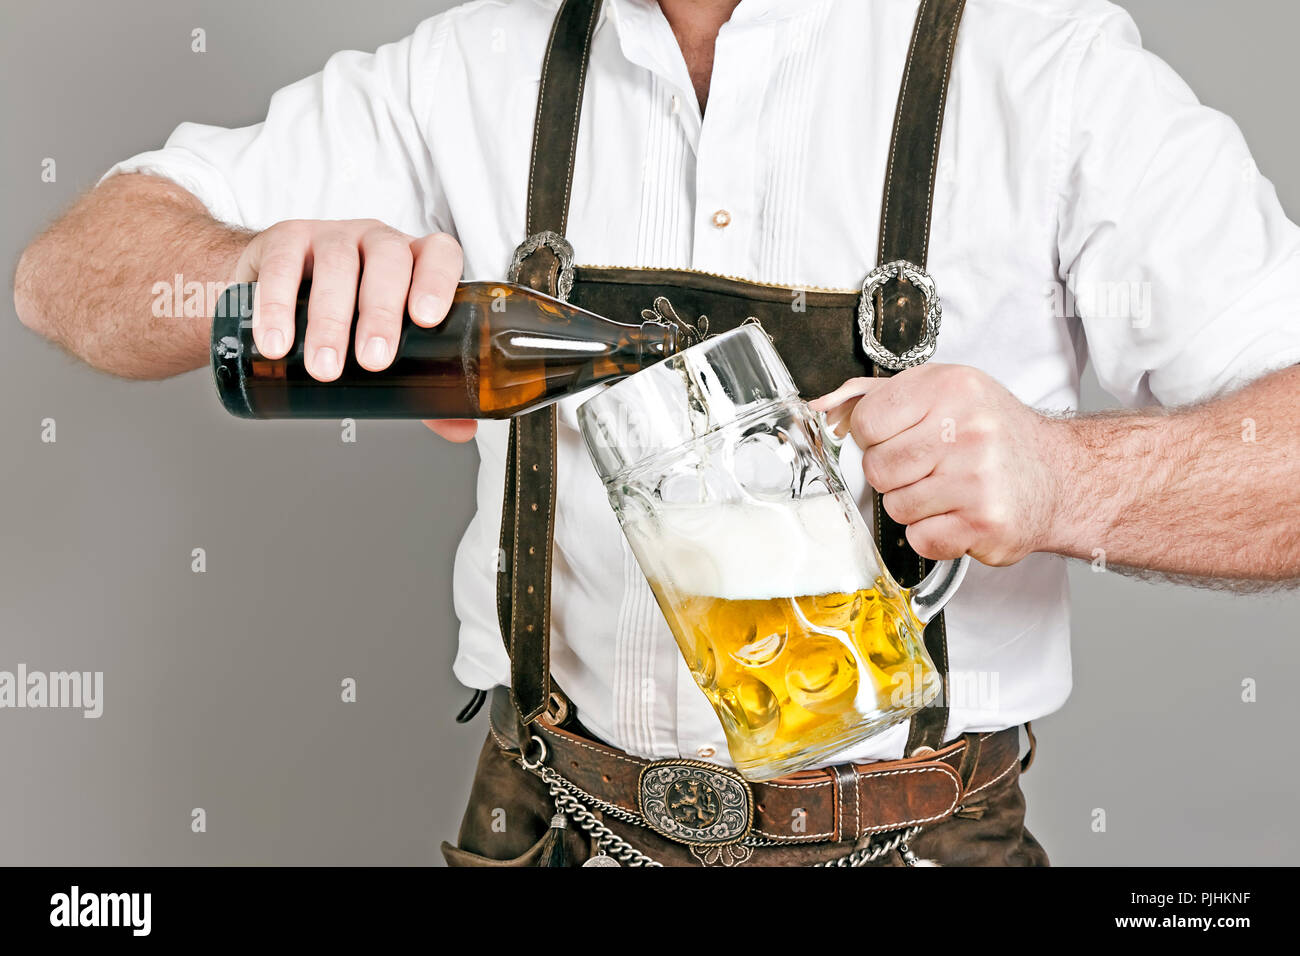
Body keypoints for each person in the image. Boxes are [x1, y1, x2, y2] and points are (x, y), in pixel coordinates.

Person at [13, 0, 1300, 867]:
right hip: (545, 827)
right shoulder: (470, 62)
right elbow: (66, 277)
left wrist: (1064, 476)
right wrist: (250, 260)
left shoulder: (1050, 66)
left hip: (917, 846)